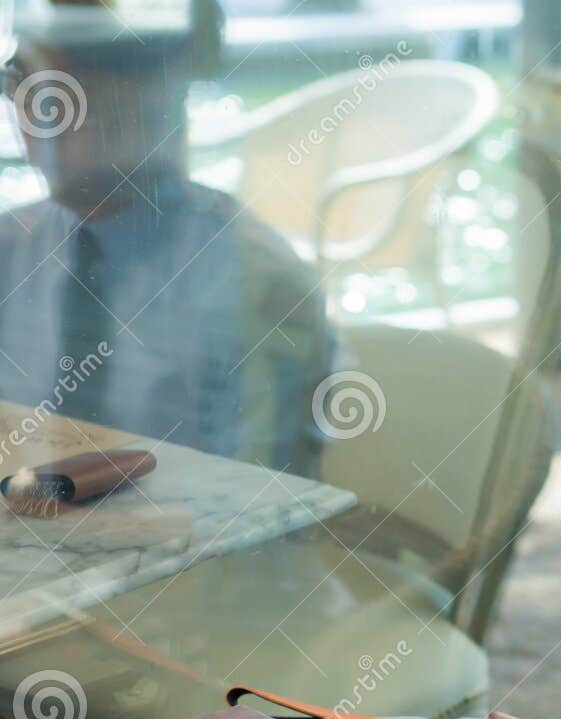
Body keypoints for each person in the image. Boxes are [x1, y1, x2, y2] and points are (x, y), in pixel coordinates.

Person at [0, 4, 334, 475]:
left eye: (74, 79)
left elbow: (257, 515)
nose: (34, 109)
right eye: (19, 78)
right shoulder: (8, 252)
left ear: (164, 83)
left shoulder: (254, 284)